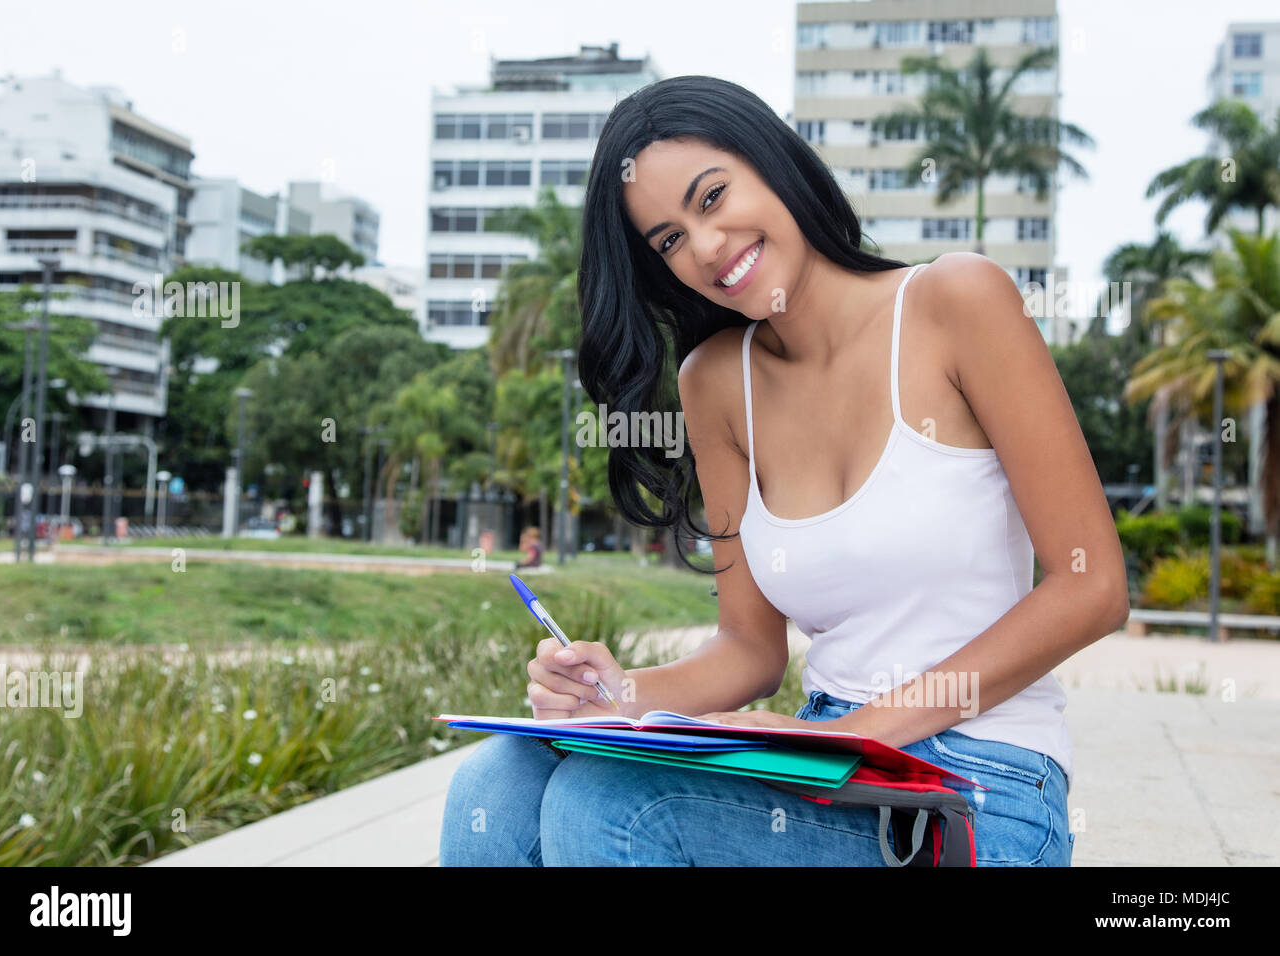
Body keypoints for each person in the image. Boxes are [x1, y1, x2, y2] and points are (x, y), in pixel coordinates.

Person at [441, 75, 1128, 866]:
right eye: (667, 240)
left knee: (616, 806)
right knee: (495, 782)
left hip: (984, 780)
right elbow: (749, 650)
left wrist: (847, 735)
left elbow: (1093, 587)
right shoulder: (714, 381)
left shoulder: (956, 303)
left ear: (775, 164)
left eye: (711, 198)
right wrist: (617, 695)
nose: (703, 248)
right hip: (829, 765)